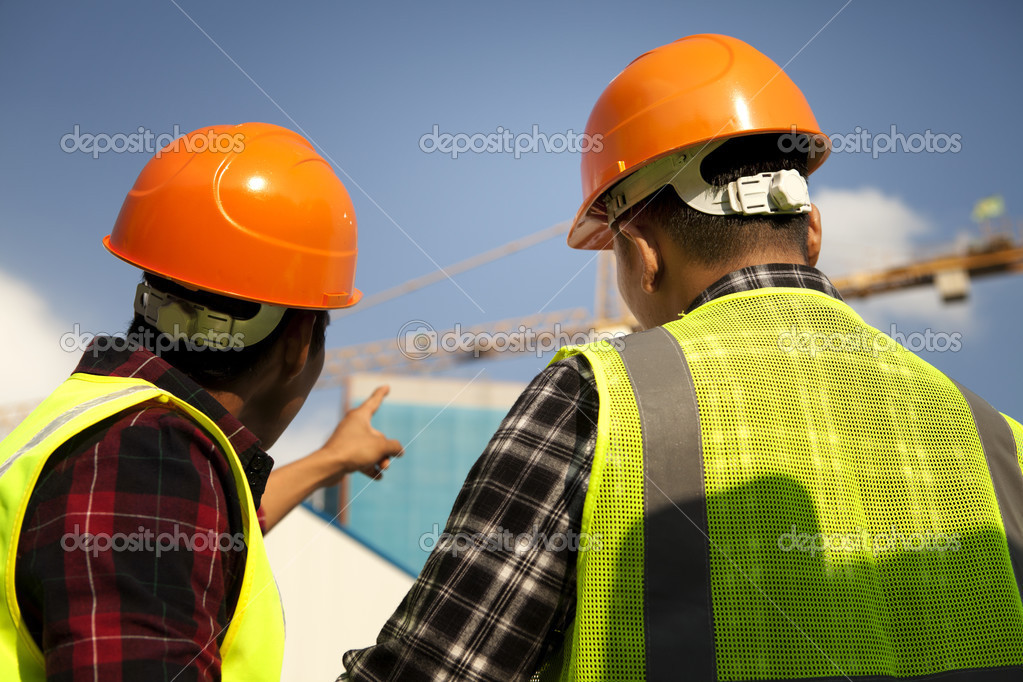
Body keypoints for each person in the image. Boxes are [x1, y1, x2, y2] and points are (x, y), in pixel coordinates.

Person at [341, 34, 1023, 681]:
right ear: (811, 231)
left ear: (641, 254)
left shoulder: (599, 395)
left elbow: (438, 666)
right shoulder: (996, 438)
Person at [0, 122, 403, 681]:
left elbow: (204, 542)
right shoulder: (149, 455)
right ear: (299, 342)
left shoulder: (108, 425)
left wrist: (330, 460)